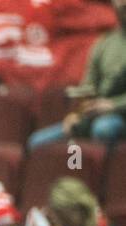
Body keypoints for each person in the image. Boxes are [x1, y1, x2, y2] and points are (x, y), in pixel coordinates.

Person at [27, 0, 126, 149]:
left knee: (103, 129)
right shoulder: (105, 43)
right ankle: (73, 170)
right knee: (37, 142)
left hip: (119, 116)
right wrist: (76, 113)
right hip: (96, 114)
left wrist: (113, 105)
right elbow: (87, 87)